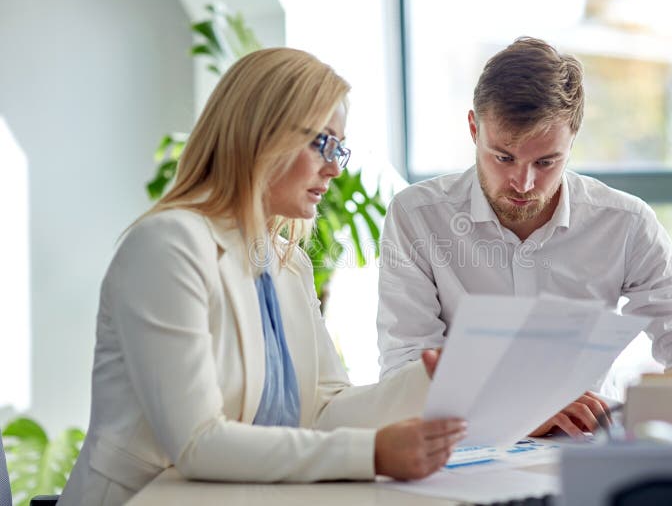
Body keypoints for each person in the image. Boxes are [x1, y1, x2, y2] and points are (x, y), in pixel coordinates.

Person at [59, 48, 465, 505]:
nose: (334, 168)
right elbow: (197, 443)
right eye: (323, 143)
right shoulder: (168, 246)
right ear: (262, 135)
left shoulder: (286, 262)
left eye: (341, 149)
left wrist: (435, 380)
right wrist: (371, 453)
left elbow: (324, 410)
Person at [377, 36, 672, 438]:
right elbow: (405, 372)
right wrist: (523, 414)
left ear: (572, 139)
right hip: (462, 451)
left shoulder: (625, 223)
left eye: (546, 161)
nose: (523, 182)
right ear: (474, 128)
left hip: (587, 444)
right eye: (503, 157)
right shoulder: (417, 217)